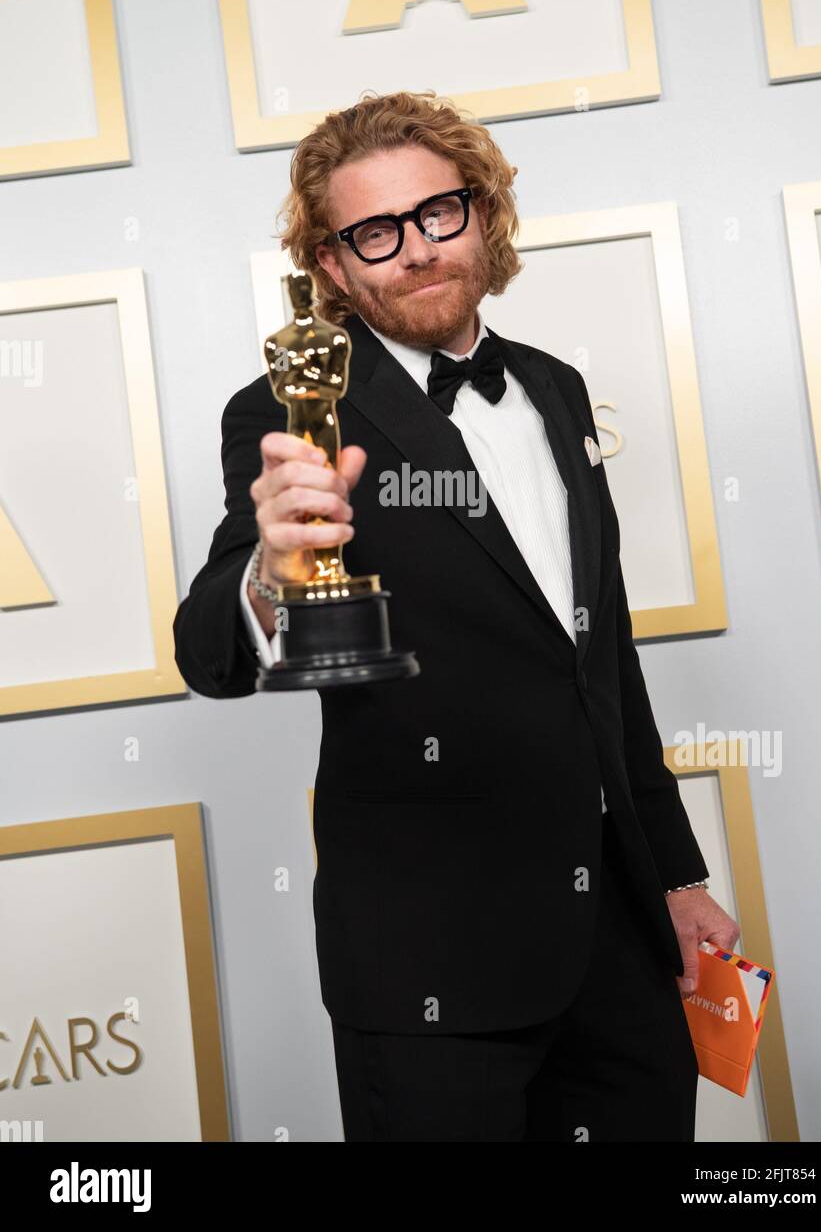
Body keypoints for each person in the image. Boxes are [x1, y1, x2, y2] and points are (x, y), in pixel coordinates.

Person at [173, 89, 739, 1142]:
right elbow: (208, 653)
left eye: (438, 213)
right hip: (427, 961)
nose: (417, 250)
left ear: (483, 216)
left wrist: (675, 876)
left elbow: (600, 656)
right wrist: (270, 566)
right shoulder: (288, 411)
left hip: (612, 933)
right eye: (374, 232)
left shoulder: (555, 391)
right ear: (333, 265)